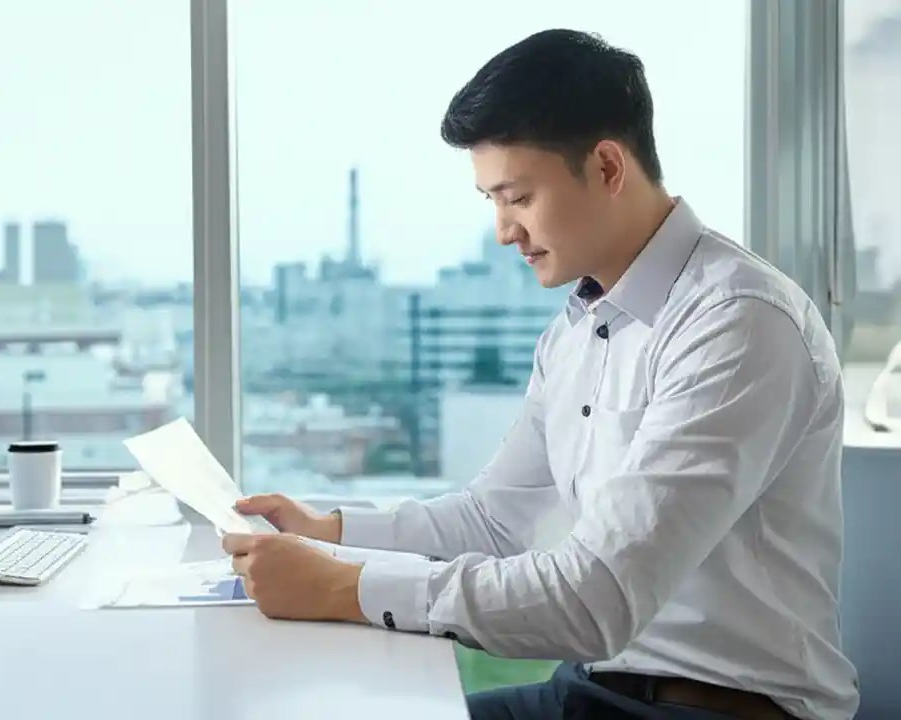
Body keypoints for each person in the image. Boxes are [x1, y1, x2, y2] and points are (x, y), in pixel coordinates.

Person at [221, 29, 859, 720]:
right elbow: (494, 519)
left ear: (607, 167)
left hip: (715, 710)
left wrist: (346, 588)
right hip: (592, 691)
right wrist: (329, 534)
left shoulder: (736, 323)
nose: (504, 230)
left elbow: (595, 598)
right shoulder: (578, 328)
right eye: (492, 201)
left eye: (518, 197)